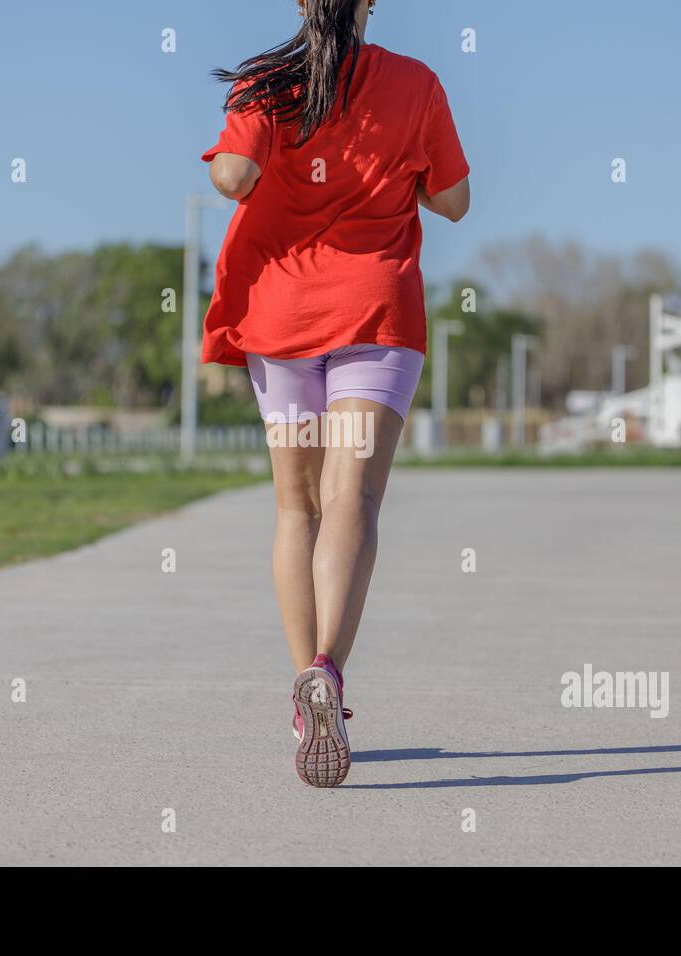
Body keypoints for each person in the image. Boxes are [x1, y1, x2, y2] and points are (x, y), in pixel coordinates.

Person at [201, 0, 470, 787]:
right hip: (377, 315)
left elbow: (232, 178)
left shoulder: (264, 83)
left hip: (282, 316)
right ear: (370, 3)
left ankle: (303, 689)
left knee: (297, 505)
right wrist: (391, 169)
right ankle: (329, 670)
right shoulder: (415, 83)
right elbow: (453, 201)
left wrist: (248, 151)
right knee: (355, 495)